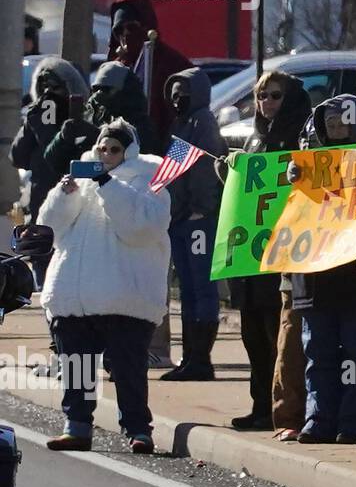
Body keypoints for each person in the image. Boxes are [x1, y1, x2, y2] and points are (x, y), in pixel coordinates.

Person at [39, 120, 170, 454]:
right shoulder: (81, 179)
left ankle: (139, 430)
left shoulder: (151, 181)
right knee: (76, 366)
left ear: (128, 152)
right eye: (102, 148)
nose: (106, 154)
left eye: (114, 149)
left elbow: (140, 229)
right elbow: (49, 229)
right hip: (75, 295)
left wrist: (106, 184)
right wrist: (62, 195)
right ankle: (77, 426)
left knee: (127, 368)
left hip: (125, 296)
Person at [225, 71, 312, 431]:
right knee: (253, 335)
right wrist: (229, 173)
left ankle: (286, 407)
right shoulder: (255, 141)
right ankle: (260, 404)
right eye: (262, 96)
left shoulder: (299, 139)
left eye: (275, 96)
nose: (267, 103)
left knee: (279, 336)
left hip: (284, 253)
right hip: (252, 254)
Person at [289, 95, 356, 444]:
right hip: (314, 277)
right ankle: (319, 417)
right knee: (318, 353)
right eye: (331, 122)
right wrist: (290, 179)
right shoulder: (304, 163)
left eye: (344, 122)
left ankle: (353, 418)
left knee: (355, 353)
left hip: (352, 277)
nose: (337, 128)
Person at [159, 68, 228, 381]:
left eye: (183, 93)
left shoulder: (203, 122)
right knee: (187, 289)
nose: (178, 99)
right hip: (181, 220)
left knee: (202, 288)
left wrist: (200, 209)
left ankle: (201, 359)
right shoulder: (181, 123)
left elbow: (204, 167)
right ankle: (189, 357)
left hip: (198, 219)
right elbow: (173, 171)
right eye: (174, 93)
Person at [46, 61, 159, 177]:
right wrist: (62, 139)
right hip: (84, 190)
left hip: (120, 190)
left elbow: (141, 164)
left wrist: (100, 137)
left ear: (125, 92)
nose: (99, 94)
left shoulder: (140, 125)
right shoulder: (89, 115)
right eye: (96, 89)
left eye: (106, 89)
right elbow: (55, 163)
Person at [12, 57, 89, 224]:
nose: (48, 93)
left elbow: (59, 160)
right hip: (40, 208)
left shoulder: (83, 120)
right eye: (44, 87)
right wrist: (32, 124)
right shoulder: (39, 116)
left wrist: (45, 129)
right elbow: (18, 157)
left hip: (72, 210)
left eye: (55, 87)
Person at [106, 0, 193, 140]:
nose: (125, 35)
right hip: (123, 155)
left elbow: (187, 129)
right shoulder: (116, 69)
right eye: (119, 30)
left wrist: (167, 160)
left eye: (131, 27)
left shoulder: (173, 65)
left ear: (147, 26)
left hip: (163, 151)